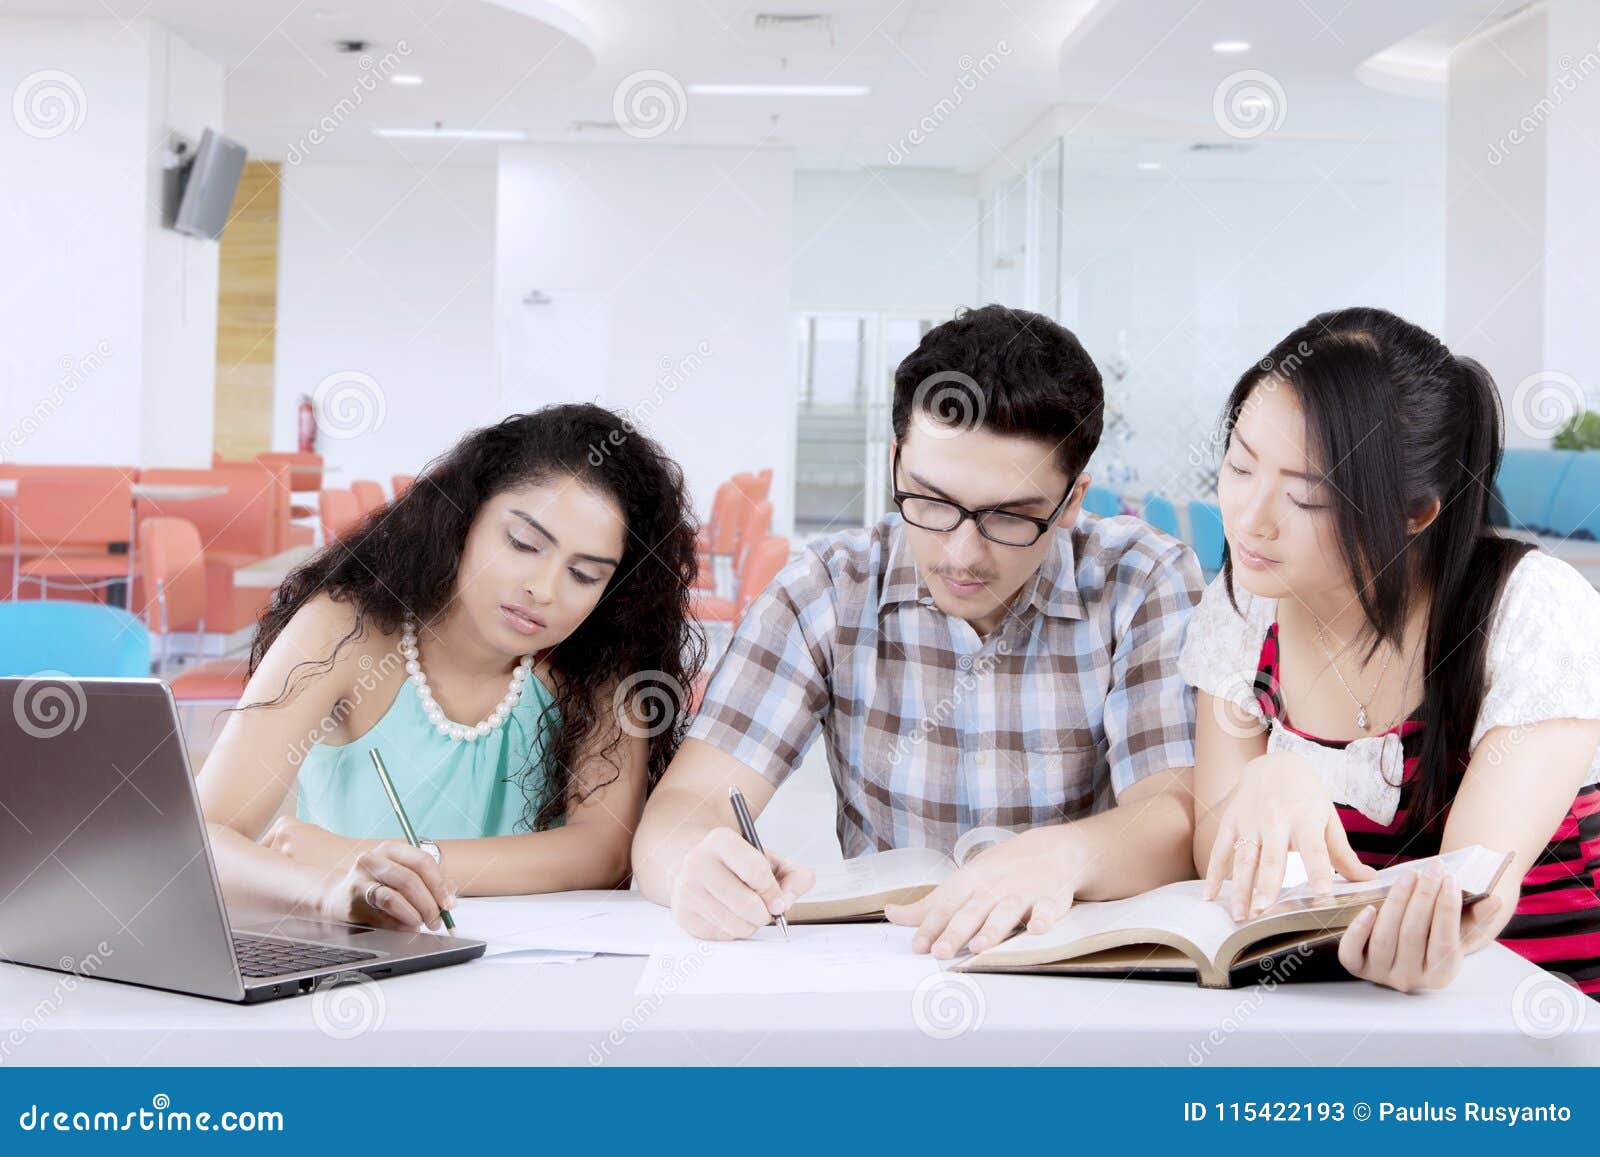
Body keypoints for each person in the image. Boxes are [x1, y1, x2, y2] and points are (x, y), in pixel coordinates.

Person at [633, 304, 1203, 957]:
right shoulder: (827, 588)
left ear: (1073, 500)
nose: (962, 554)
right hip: (890, 966)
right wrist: (695, 869)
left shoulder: (1141, 581)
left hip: (1073, 964)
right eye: (930, 502)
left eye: (1011, 517)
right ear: (897, 461)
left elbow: (1175, 814)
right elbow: (679, 811)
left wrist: (1068, 854)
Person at [1182, 307, 1600, 996]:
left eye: (1306, 496)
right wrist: (1273, 784)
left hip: (1551, 1011)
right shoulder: (1243, 608)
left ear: (1415, 513)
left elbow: (1469, 890)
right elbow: (1221, 858)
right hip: (1344, 1004)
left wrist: (1293, 792)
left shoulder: (1530, 610)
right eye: (1240, 465)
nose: (1251, 518)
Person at [198, 404, 704, 932]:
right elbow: (202, 839)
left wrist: (370, 856)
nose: (544, 590)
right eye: (523, 544)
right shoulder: (342, 630)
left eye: (583, 574)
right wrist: (332, 894)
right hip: (366, 961)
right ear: (464, 517)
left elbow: (601, 853)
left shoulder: (598, 661)